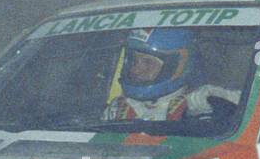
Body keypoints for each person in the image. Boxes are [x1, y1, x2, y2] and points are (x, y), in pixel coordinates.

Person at [103, 28, 240, 122]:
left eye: (148, 62)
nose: (136, 70)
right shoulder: (118, 108)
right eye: (133, 61)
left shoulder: (200, 102)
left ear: (175, 66)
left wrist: (209, 113)